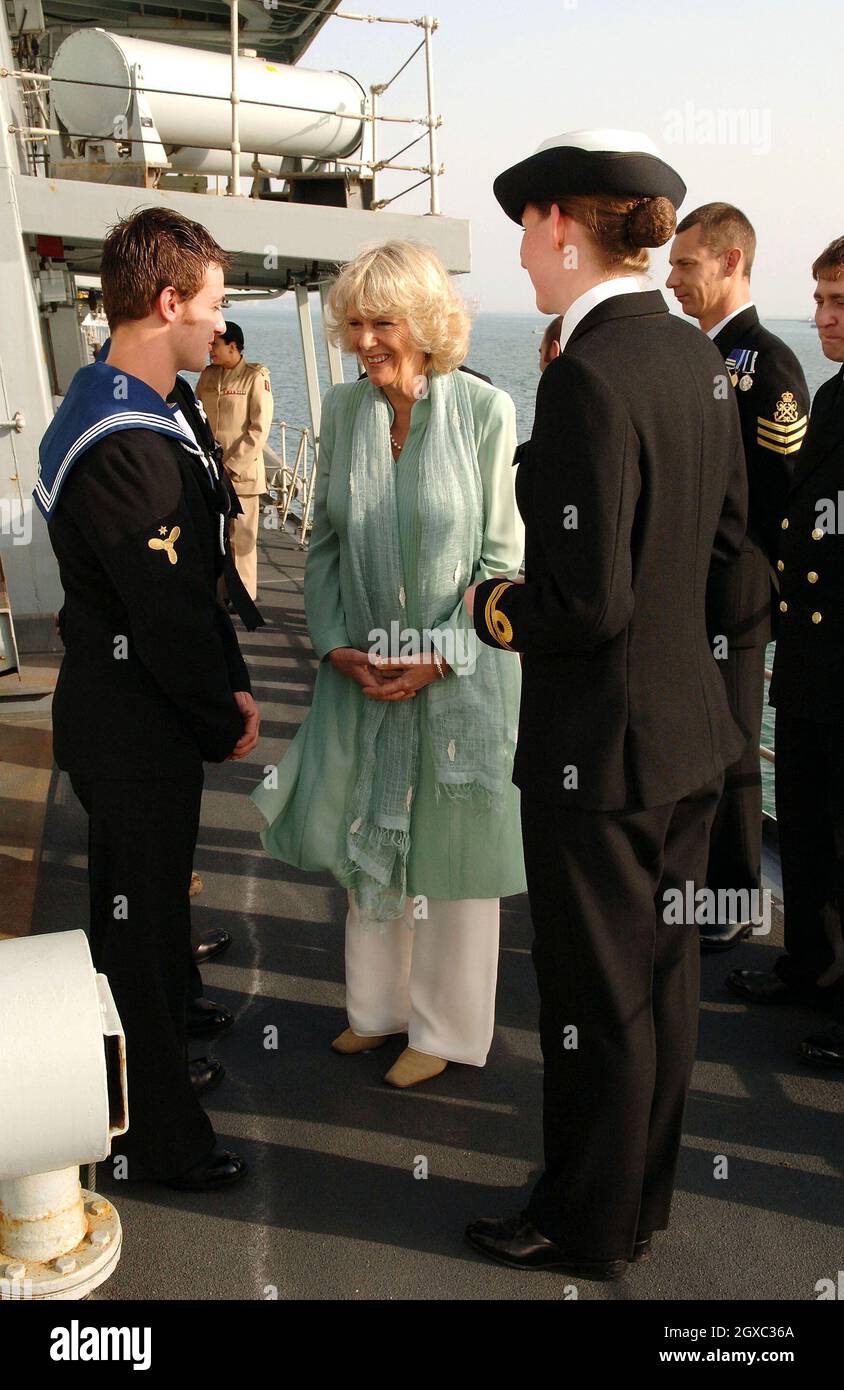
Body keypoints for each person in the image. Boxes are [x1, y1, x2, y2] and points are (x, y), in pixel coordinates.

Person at [463, 129, 748, 1279]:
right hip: (690, 743)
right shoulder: (693, 358)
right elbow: (730, 556)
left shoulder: (584, 375)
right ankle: (638, 1203)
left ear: (559, 229)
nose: (521, 255)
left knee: (589, 1001)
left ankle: (582, 1224)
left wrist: (494, 604)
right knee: (664, 989)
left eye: (526, 231)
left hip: (600, 756)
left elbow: (584, 605)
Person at [252, 240, 526, 1089]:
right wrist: (335, 643)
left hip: (459, 678)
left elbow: (500, 560)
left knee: (452, 858)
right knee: (367, 836)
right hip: (365, 667)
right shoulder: (344, 411)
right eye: (355, 322)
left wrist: (438, 659)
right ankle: (377, 1011)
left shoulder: (485, 413)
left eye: (384, 321)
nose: (365, 339)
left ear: (428, 324)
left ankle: (444, 1030)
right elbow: (325, 539)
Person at [34, 207, 260, 1191]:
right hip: (131, 725)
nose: (221, 323)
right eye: (212, 305)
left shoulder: (140, 401)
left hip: (140, 713)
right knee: (130, 921)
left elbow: (201, 574)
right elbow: (166, 613)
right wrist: (221, 715)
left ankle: (163, 1040)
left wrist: (232, 683)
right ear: (168, 303)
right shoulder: (124, 439)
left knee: (153, 902)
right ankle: (158, 1132)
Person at [667, 204, 810, 951]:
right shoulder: (694, 355)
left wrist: (756, 590)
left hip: (737, 590)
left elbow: (779, 497)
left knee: (731, 743)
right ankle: (694, 886)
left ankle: (730, 901)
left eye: (687, 264)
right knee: (694, 740)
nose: (672, 277)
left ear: (730, 264)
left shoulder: (769, 364)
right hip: (689, 590)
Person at [728, 235, 844, 1067]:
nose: (822, 316)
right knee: (807, 826)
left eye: (839, 302)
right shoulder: (835, 400)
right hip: (811, 654)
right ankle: (812, 964)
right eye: (820, 298)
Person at [197, 321, 273, 601]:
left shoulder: (255, 378)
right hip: (210, 472)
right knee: (214, 538)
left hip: (241, 477)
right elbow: (197, 418)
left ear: (233, 346)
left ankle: (242, 599)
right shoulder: (207, 376)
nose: (211, 350)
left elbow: (258, 429)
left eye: (215, 345)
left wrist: (231, 465)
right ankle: (218, 594)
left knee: (241, 540)